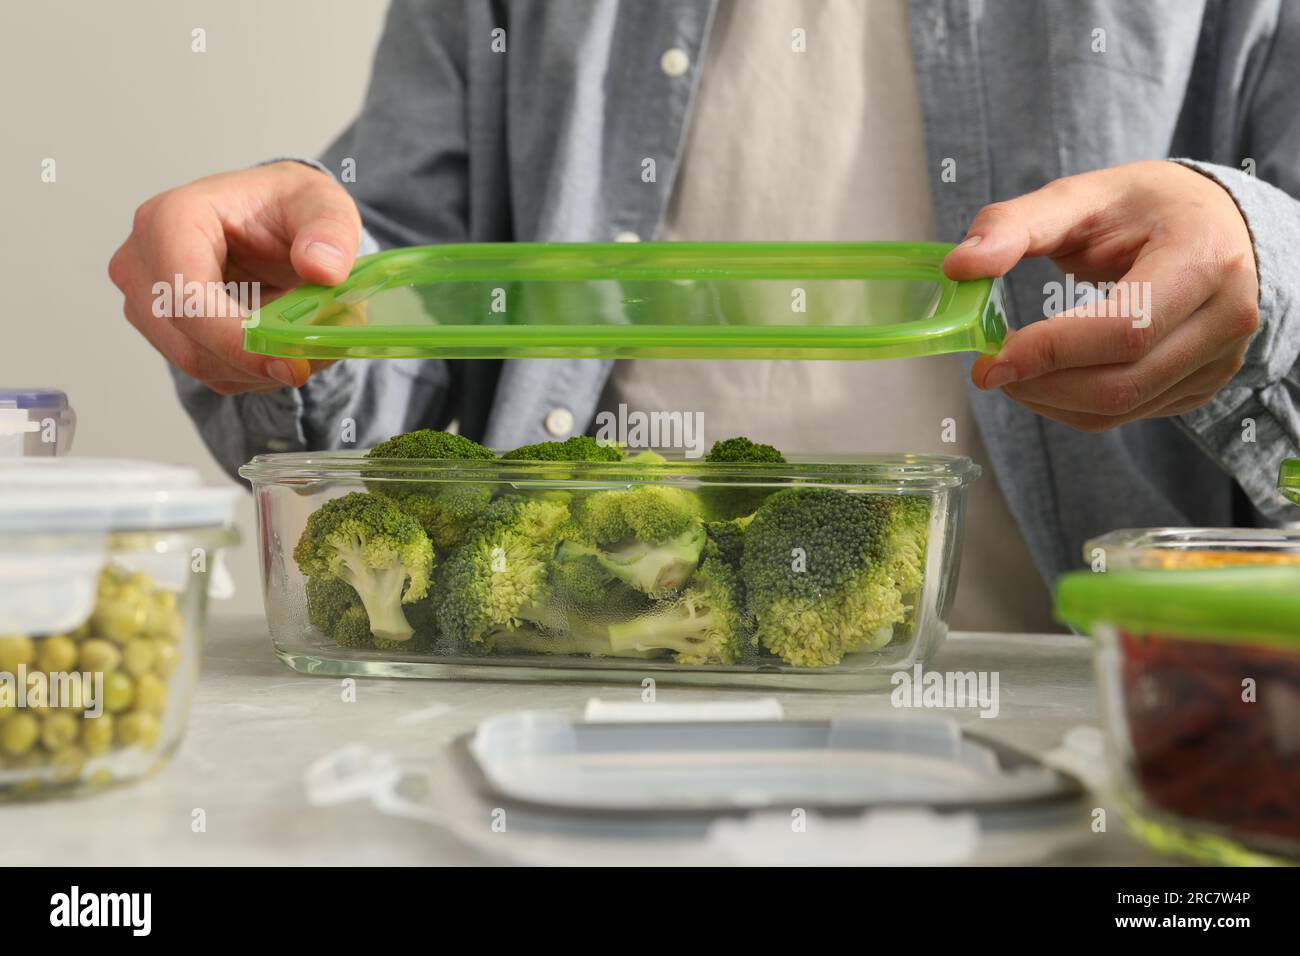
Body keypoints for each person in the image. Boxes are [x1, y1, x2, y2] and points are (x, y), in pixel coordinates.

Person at [108, 0, 1299, 632]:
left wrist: (1263, 263)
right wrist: (291, 305)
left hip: (1087, 709)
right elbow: (403, 317)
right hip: (543, 683)